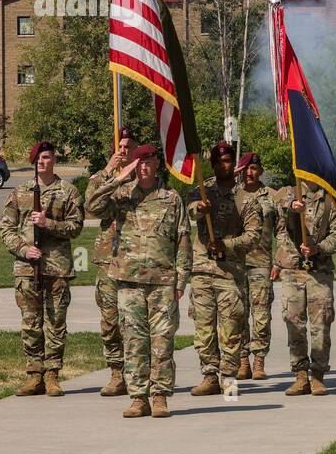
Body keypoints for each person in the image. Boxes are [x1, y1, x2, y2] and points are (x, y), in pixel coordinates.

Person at [86, 145, 191, 419]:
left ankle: (159, 397)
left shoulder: (171, 198)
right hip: (128, 281)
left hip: (162, 282)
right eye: (139, 162)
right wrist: (118, 178)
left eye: (149, 161)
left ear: (157, 163)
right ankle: (138, 397)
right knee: (133, 341)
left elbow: (182, 239)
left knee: (162, 341)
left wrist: (181, 278)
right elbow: (92, 206)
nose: (144, 166)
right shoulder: (122, 195)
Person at [0, 141, 84, 397]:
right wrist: (24, 250)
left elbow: (76, 227)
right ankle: (34, 374)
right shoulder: (19, 192)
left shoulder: (67, 192)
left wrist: (48, 223)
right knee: (30, 323)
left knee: (56, 322)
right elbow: (6, 229)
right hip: (27, 268)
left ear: (53, 160)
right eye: (37, 158)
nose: (41, 162)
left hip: (57, 266)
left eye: (46, 157)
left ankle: (52, 374)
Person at [187, 141, 260, 396]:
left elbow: (253, 236)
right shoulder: (202, 191)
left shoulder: (245, 198)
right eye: (217, 162)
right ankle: (209, 375)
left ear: (234, 163)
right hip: (202, 271)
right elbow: (191, 210)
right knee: (204, 328)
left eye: (227, 161)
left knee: (230, 330)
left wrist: (226, 245)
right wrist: (200, 208)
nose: (222, 165)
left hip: (230, 273)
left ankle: (228, 377)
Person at [273, 179, 336, 396]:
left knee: (321, 324)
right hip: (292, 269)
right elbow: (278, 222)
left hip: (319, 271)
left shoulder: (331, 200)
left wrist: (318, 248)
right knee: (293, 322)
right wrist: (291, 210)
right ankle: (300, 375)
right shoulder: (288, 193)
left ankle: (318, 375)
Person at [86, 127, 136, 397]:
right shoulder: (101, 178)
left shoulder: (144, 180)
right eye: (120, 146)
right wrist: (109, 173)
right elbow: (92, 207)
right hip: (108, 261)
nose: (123, 151)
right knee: (109, 321)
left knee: (135, 322)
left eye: (128, 146)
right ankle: (116, 373)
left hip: (134, 260)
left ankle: (137, 372)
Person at [235, 152, 277, 380]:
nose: (249, 173)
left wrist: (278, 261)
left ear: (260, 170)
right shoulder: (234, 194)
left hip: (261, 263)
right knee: (238, 315)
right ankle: (243, 361)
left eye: (253, 168)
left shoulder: (271, 196)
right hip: (237, 264)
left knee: (261, 315)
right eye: (245, 169)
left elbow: (282, 231)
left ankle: (259, 360)